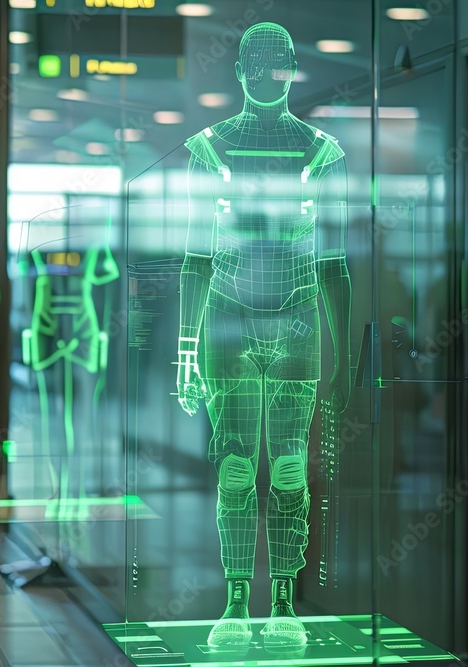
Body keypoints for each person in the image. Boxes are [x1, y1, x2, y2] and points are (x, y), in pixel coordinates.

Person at [174, 23, 351, 651]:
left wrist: (348, 359)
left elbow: (334, 266)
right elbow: (195, 258)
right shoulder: (210, 148)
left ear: (291, 69)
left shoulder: (321, 152)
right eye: (259, 63)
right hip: (226, 316)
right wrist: (186, 351)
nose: (268, 75)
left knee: (289, 467)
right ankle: (235, 601)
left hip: (297, 313)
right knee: (236, 468)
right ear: (242, 70)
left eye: (280, 65)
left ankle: (281, 598)